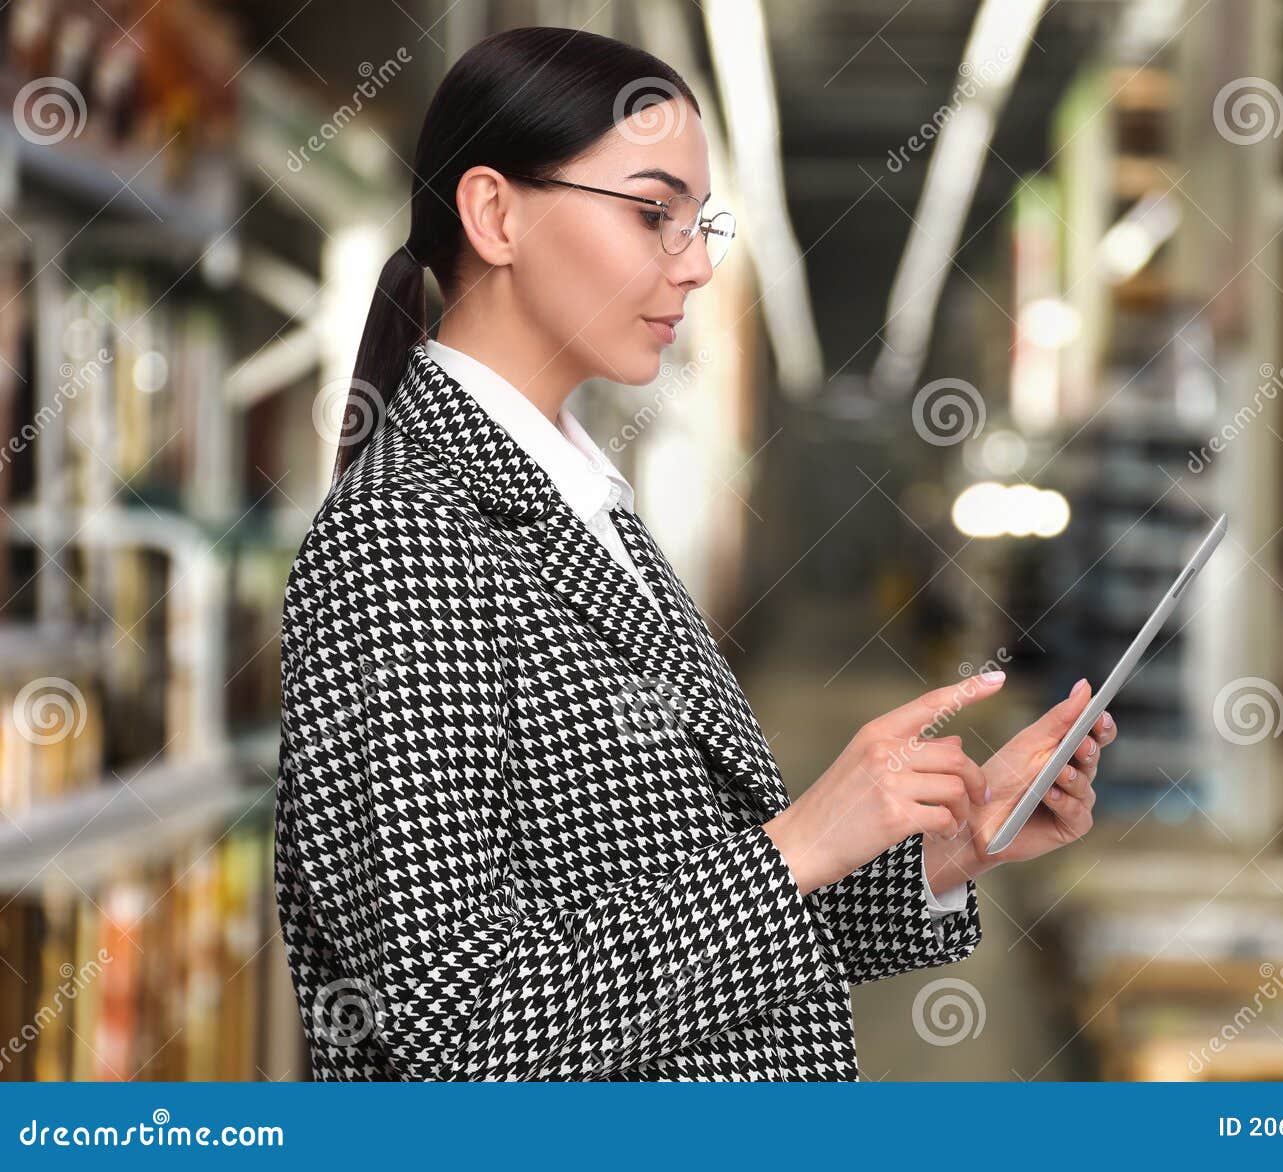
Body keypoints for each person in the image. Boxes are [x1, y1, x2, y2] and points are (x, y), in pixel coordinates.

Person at [273, 26, 1115, 1082]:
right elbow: (453, 1035)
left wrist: (949, 845)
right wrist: (795, 843)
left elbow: (686, 938)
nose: (701, 262)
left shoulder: (584, 507)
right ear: (495, 213)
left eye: (700, 221)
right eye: (651, 213)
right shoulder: (401, 538)